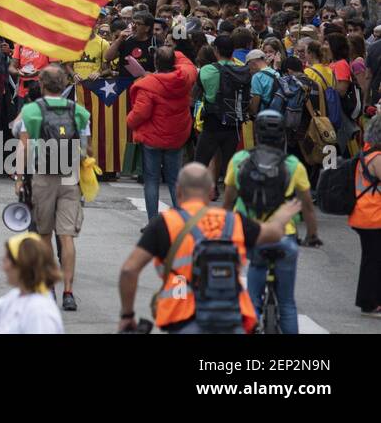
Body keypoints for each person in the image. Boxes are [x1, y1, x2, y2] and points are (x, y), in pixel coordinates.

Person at [118, 162, 302, 334]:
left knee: (177, 280)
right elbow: (273, 233)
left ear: (178, 191)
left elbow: (129, 270)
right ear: (211, 191)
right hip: (230, 317)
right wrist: (282, 214)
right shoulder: (233, 221)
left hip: (182, 314)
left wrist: (127, 315)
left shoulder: (165, 223)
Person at [222, 110, 320, 333]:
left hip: (251, 235)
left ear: (256, 134)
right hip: (284, 235)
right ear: (282, 136)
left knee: (253, 298)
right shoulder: (294, 164)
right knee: (287, 304)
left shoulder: (239, 160)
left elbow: (227, 202)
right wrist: (312, 235)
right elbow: (308, 208)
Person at [16, 64, 90, 311]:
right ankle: (69, 291)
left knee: (44, 234)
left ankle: (49, 289)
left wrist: (18, 177)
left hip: (43, 175)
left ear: (41, 84)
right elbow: (84, 148)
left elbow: (24, 146)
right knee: (66, 236)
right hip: (70, 176)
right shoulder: (79, 112)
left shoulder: (31, 111)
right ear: (65, 83)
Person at [126, 46, 197, 223]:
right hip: (176, 137)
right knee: (175, 179)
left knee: (151, 180)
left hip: (152, 138)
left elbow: (141, 113)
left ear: (156, 62)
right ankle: (183, 220)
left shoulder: (148, 84)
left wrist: (129, 122)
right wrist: (169, 50)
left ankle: (153, 222)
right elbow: (186, 62)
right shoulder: (185, 78)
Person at [194, 33, 250, 189]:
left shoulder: (206, 70)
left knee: (200, 162)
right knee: (230, 166)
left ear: (215, 50)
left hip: (212, 123)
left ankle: (196, 197)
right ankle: (232, 201)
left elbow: (198, 93)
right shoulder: (242, 71)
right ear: (232, 51)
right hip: (234, 123)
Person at [349, 115, 381, 316]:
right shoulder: (377, 157)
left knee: (372, 259)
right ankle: (369, 302)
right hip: (372, 217)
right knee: (373, 260)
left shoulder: (367, 153)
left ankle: (369, 299)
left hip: (364, 215)